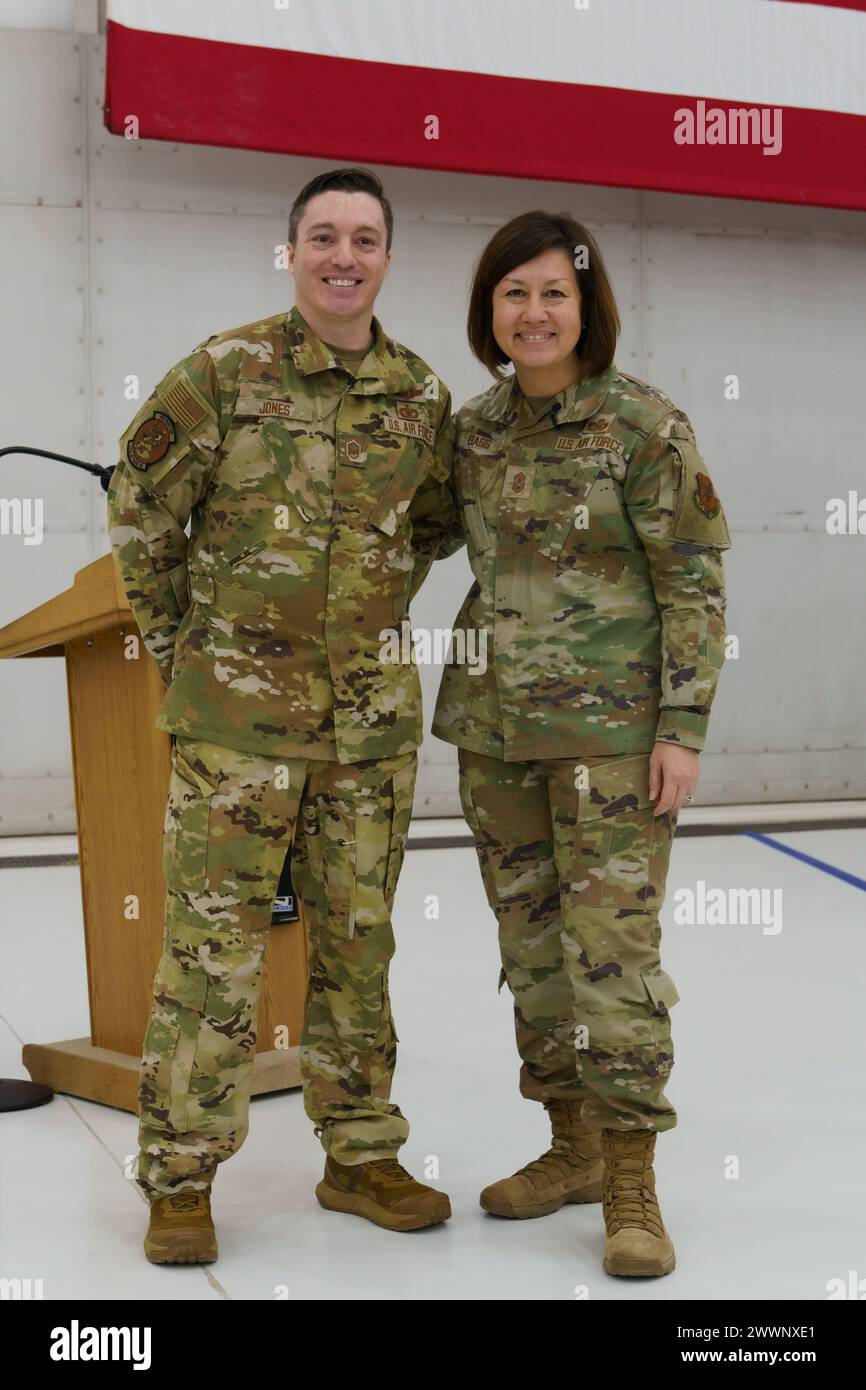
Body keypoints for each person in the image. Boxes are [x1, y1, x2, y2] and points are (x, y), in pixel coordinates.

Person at [107, 167, 456, 1263]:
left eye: (363, 237)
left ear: (387, 257)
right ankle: (179, 1178)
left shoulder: (420, 394)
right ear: (290, 251)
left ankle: (358, 1154)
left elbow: (432, 526)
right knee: (212, 959)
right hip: (235, 733)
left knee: (358, 948)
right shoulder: (223, 371)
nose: (341, 255)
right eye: (321, 236)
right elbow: (141, 509)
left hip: (367, 735)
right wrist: (188, 650)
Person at [431, 210, 731, 1278]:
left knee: (613, 961)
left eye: (552, 291)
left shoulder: (640, 427)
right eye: (512, 293)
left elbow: (692, 582)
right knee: (531, 955)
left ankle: (632, 1182)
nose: (532, 312)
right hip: (495, 734)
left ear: (584, 304)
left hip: (612, 741)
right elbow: (403, 532)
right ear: (488, 311)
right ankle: (567, 1148)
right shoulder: (470, 431)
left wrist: (681, 730)